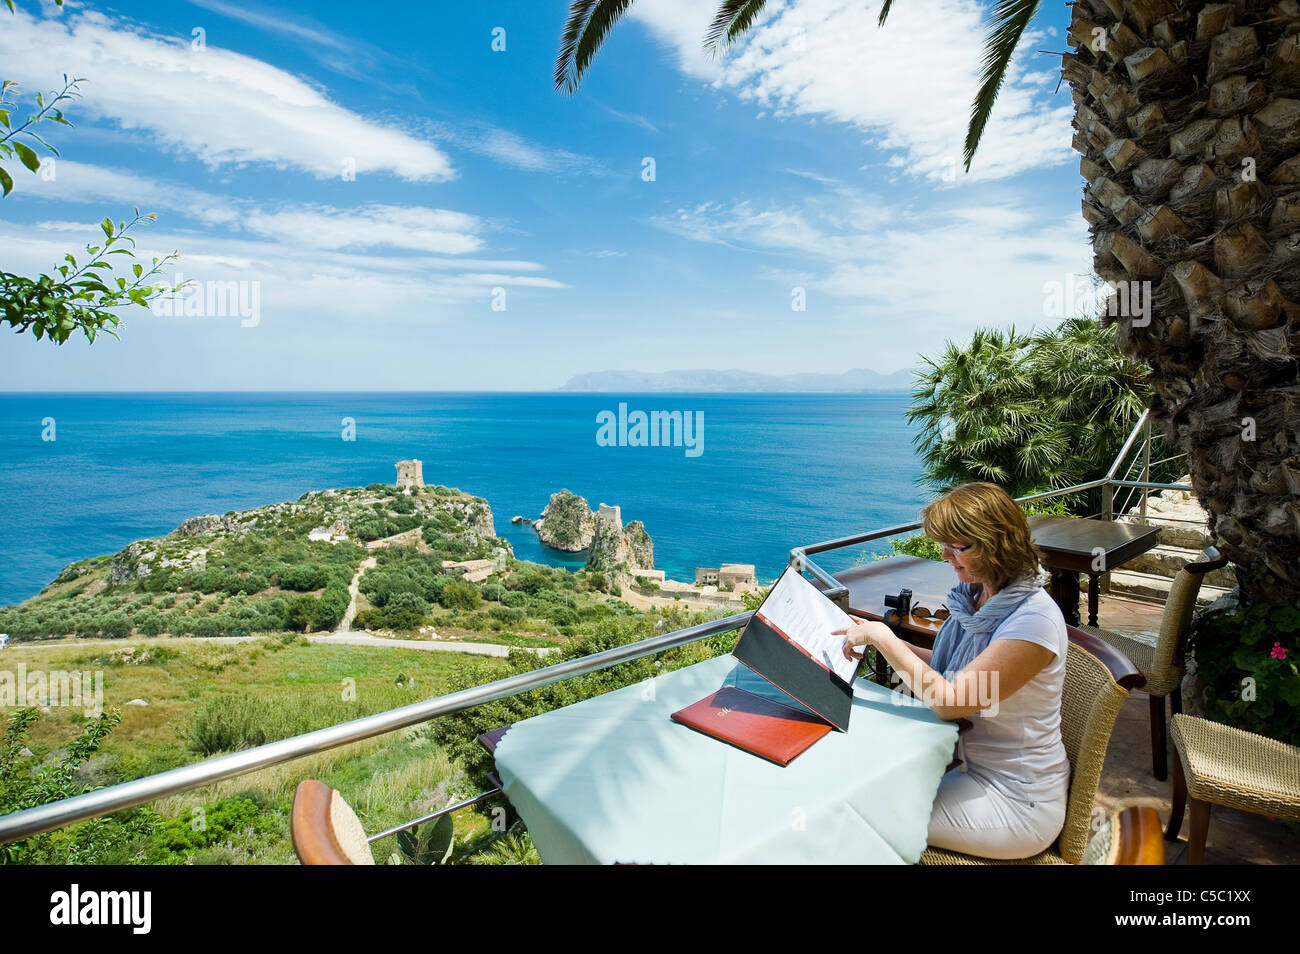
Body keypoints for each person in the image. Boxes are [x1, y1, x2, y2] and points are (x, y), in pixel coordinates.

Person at [834, 482, 1070, 860]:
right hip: (963, 766)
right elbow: (950, 672)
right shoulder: (978, 598)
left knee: (859, 816)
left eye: (956, 547)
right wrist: (878, 643)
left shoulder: (1032, 622)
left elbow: (950, 702)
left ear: (995, 545)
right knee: (853, 787)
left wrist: (885, 637)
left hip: (1016, 799)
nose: (944, 556)